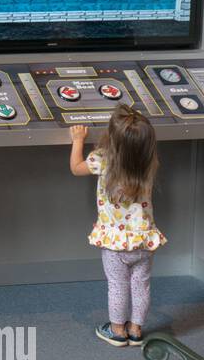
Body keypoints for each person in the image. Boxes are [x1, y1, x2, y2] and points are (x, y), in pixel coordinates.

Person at [69, 106, 166, 347]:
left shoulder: (103, 158)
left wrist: (78, 140)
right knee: (141, 285)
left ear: (112, 139)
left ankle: (117, 331)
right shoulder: (148, 162)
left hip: (115, 244)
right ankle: (135, 330)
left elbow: (76, 167)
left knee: (117, 285)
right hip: (144, 240)